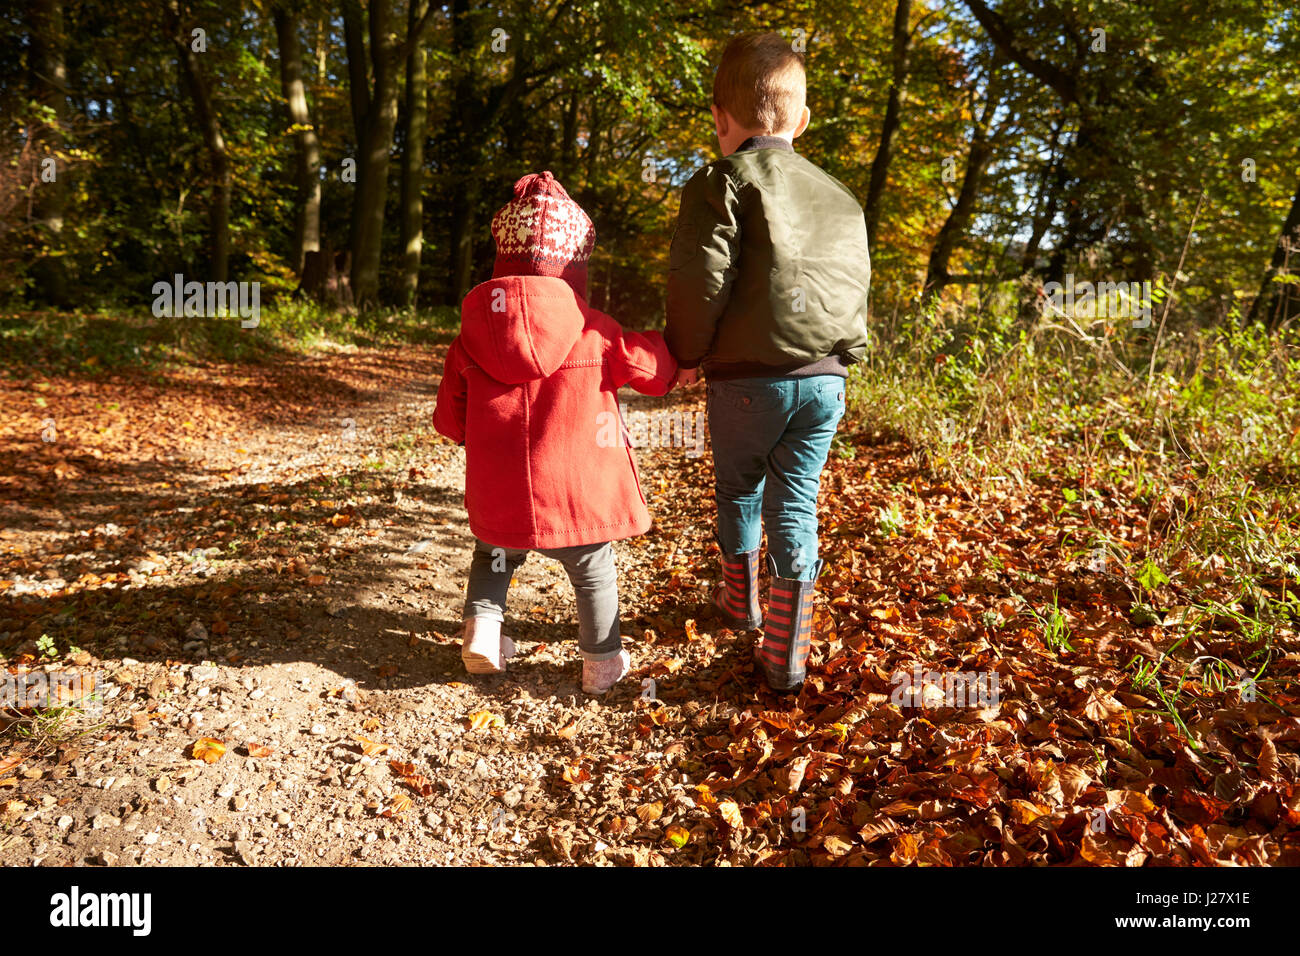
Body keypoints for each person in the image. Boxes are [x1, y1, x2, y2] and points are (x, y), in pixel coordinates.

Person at [665, 32, 871, 692]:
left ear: (720, 121)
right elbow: (853, 281)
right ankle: (786, 649)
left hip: (746, 381)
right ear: (802, 121)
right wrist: (846, 355)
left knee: (740, 488)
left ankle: (740, 602)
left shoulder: (720, 182)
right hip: (826, 381)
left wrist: (686, 353)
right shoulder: (841, 196)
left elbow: (701, 277)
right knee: (797, 501)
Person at [434, 171, 678, 694]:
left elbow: (449, 419)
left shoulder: (469, 338)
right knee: (593, 568)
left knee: (493, 556)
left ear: (503, 258)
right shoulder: (596, 330)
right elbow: (651, 371)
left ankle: (483, 633)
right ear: (575, 265)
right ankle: (601, 663)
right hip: (577, 496)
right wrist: (684, 359)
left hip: (501, 494)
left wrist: (471, 435)